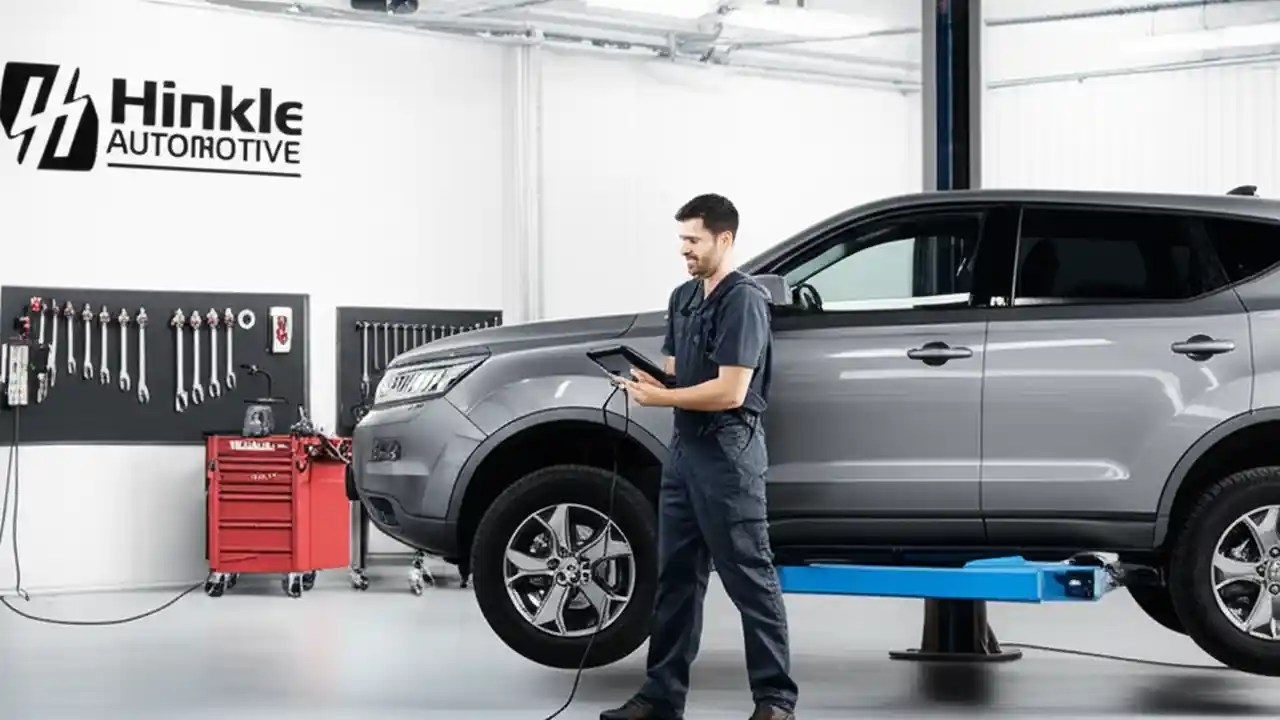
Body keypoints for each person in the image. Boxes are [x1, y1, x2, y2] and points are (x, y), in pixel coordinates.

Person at [602, 194, 798, 720]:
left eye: (693, 240)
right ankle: (660, 698)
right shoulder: (683, 298)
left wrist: (661, 398)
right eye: (681, 240)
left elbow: (732, 390)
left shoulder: (745, 300)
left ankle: (776, 701)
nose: (684, 250)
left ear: (724, 239)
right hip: (685, 452)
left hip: (728, 452)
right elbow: (682, 376)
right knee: (676, 581)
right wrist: (656, 381)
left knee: (749, 577)